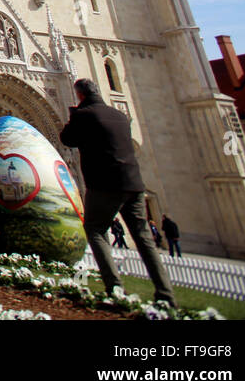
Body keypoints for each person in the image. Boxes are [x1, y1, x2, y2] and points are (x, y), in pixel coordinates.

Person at [60, 78, 175, 305]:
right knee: (144, 238)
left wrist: (74, 116)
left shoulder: (84, 115)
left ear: (80, 95)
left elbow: (66, 139)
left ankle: (114, 288)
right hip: (134, 184)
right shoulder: (120, 116)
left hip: (104, 184)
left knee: (94, 229)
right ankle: (166, 294)